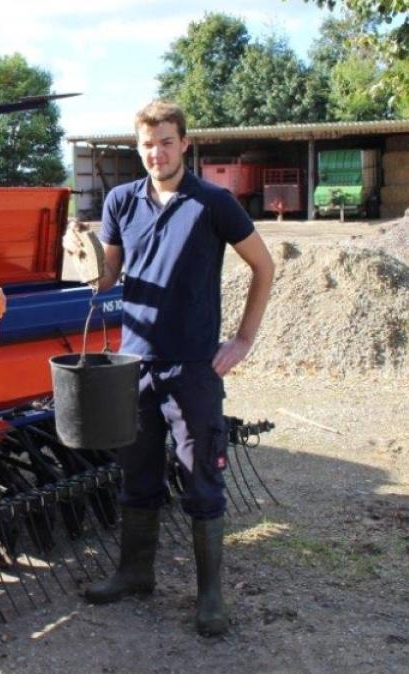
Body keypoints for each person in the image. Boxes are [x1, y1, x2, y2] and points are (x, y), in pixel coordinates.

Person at [70, 100, 274, 636]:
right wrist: (86, 260)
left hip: (192, 368)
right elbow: (111, 276)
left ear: (184, 143)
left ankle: (210, 596)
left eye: (164, 141)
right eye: (146, 144)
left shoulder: (212, 203)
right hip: (133, 366)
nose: (155, 153)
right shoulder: (120, 201)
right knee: (136, 475)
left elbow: (263, 266)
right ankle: (135, 572)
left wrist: (244, 339)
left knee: (201, 476)